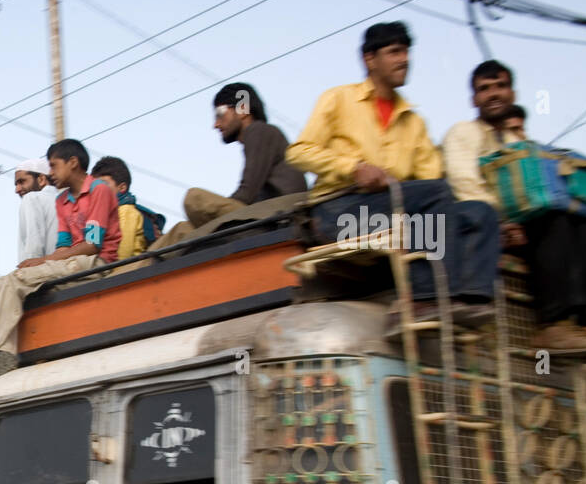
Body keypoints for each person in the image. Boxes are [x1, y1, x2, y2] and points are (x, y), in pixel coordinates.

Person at [286, 22, 502, 335]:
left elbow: (431, 181)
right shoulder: (337, 98)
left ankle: (470, 299)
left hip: (395, 211)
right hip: (339, 214)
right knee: (435, 196)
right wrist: (353, 167)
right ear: (369, 59)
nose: (404, 60)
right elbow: (298, 152)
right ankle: (420, 300)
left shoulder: (414, 122)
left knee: (480, 213)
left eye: (406, 52)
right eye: (394, 52)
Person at [443, 60, 586, 353]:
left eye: (500, 86)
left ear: (512, 93)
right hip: (479, 224)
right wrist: (501, 221)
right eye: (484, 89)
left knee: (574, 218)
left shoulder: (519, 142)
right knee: (552, 221)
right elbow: (465, 184)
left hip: (521, 224)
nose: (493, 94)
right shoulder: (463, 132)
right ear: (474, 99)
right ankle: (553, 325)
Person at [0, 138, 120, 389]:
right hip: (73, 261)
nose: (51, 173)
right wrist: (44, 264)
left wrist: (42, 262)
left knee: (19, 279)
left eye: (54, 166)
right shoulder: (62, 201)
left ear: (73, 163)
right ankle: (5, 355)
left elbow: (92, 244)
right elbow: (63, 245)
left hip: (96, 262)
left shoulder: (99, 190)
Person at [155, 83, 307, 250]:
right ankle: (127, 272)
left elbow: (245, 194)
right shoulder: (261, 136)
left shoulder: (259, 131)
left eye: (220, 114)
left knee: (194, 198)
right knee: (181, 230)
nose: (216, 124)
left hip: (277, 218)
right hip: (265, 215)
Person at [89, 156, 166, 259]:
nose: (98, 190)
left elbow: (123, 253)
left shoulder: (125, 211)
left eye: (104, 184)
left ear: (122, 188)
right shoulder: (101, 213)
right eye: (94, 186)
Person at [14, 157, 60, 263]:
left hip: (42, 273)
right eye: (16, 185)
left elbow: (34, 246)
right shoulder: (64, 200)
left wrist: (30, 270)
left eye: (22, 182)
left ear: (41, 179)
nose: (17, 189)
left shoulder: (31, 198)